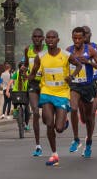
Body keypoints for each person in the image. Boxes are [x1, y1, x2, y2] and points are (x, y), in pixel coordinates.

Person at [29, 30, 81, 167]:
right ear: (45, 41)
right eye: (48, 38)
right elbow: (33, 74)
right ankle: (54, 155)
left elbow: (79, 65)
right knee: (49, 123)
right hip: (46, 92)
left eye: (53, 38)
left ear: (58, 40)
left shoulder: (66, 55)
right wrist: (24, 75)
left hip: (62, 93)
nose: (50, 40)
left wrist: (72, 76)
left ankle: (64, 120)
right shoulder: (40, 57)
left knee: (58, 128)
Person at [66, 26, 97, 158]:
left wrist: (89, 62)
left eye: (79, 38)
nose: (76, 40)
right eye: (74, 38)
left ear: (84, 38)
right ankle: (76, 139)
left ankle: (89, 142)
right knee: (73, 108)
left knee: (88, 118)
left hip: (88, 86)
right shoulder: (68, 51)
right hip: (75, 86)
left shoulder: (90, 50)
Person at [24, 28, 47, 156]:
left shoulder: (47, 49)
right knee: (36, 113)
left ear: (43, 38)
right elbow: (27, 64)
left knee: (46, 117)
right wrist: (24, 68)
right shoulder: (28, 49)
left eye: (39, 37)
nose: (37, 39)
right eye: (35, 36)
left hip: (45, 84)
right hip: (33, 83)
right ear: (32, 38)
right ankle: (38, 145)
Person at [7, 61, 31, 131]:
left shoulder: (28, 72)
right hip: (18, 92)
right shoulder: (16, 73)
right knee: (16, 102)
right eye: (22, 66)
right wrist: (7, 91)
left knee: (27, 111)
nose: (23, 68)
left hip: (24, 92)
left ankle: (26, 123)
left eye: (24, 66)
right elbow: (10, 82)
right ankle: (15, 112)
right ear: (20, 67)